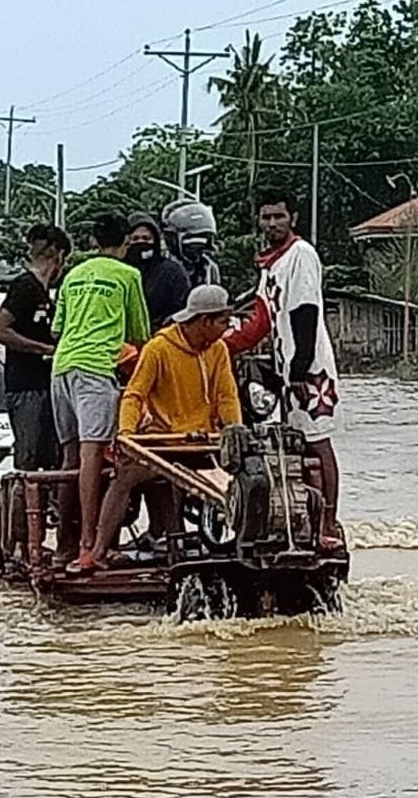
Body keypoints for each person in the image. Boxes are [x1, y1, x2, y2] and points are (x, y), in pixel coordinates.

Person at [84, 285, 242, 569]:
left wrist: (235, 432)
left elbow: (226, 397)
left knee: (246, 477)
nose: (226, 328)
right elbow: (135, 394)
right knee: (125, 479)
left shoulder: (218, 350)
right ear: (204, 321)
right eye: (222, 322)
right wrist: (127, 434)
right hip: (164, 443)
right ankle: (98, 550)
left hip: (203, 442)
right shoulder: (159, 348)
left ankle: (231, 544)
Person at [226, 187, 343, 546]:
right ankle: (302, 518)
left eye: (279, 216)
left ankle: (327, 523)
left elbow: (305, 313)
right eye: (266, 217)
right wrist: (220, 346)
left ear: (293, 218)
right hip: (286, 364)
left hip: (310, 369)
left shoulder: (301, 255)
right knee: (295, 444)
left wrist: (299, 371)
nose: (272, 223)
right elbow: (260, 317)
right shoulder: (271, 263)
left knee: (317, 443)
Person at [50, 213, 151, 568]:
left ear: (93, 242)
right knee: (95, 457)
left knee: (70, 459)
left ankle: (64, 543)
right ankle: (90, 544)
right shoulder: (128, 275)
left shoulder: (72, 275)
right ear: (125, 242)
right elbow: (140, 336)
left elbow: (58, 328)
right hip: (95, 370)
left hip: (61, 367)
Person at [0, 223, 70, 472]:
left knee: (52, 455)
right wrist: (42, 349)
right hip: (26, 386)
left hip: (46, 384)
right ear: (58, 255)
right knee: (29, 457)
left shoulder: (45, 293)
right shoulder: (25, 286)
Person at [126, 211, 190, 328]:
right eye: (135, 239)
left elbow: (182, 309)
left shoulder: (172, 272)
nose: (141, 242)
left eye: (146, 238)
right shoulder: (119, 271)